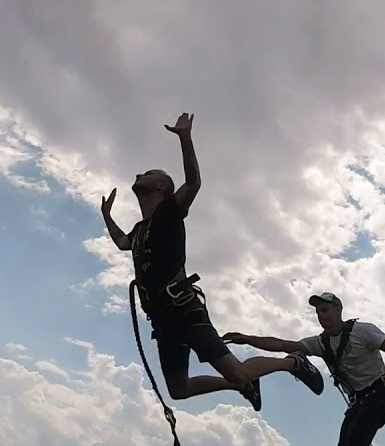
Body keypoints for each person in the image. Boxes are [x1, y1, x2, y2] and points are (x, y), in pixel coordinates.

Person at [100, 112, 324, 411]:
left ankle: (291, 363)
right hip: (164, 322)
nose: (140, 174)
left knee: (237, 369)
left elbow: (193, 182)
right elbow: (121, 243)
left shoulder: (169, 212)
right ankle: (243, 386)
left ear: (162, 187)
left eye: (149, 173)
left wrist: (185, 138)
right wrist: (107, 217)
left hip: (185, 312)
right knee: (179, 390)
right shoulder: (141, 231)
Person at [223, 292, 385, 446]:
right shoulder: (321, 343)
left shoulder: (362, 331)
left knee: (356, 441)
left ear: (339, 310)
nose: (321, 315)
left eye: (325, 310)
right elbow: (283, 345)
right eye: (318, 311)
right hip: (358, 401)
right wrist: (247, 338)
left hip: (379, 395)